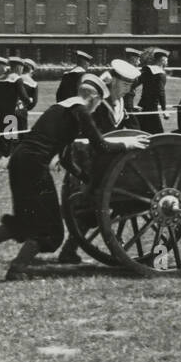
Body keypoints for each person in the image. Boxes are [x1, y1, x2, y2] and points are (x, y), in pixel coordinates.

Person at [0, 74, 150, 280]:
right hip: (34, 165)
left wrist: (83, 177)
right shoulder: (81, 110)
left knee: (25, 218)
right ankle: (17, 269)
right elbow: (101, 145)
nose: (96, 109)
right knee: (52, 231)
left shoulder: (61, 107)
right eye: (97, 104)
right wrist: (128, 143)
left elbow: (64, 157)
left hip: (20, 160)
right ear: (94, 99)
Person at [55, 60, 143, 264]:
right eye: (124, 85)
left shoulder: (119, 104)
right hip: (95, 164)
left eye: (130, 86)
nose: (127, 91)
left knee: (93, 210)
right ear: (112, 82)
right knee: (90, 209)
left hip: (115, 165)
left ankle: (70, 249)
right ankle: (70, 249)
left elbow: (132, 128)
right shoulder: (96, 105)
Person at [0, 57, 27, 163]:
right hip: (10, 116)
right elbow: (24, 97)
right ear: (18, 67)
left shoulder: (1, 79)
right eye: (22, 68)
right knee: (7, 143)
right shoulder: (17, 79)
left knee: (7, 140)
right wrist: (29, 100)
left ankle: (14, 164)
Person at [136, 48, 170, 134]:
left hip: (142, 104)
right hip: (152, 107)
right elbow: (161, 92)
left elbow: (136, 83)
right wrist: (164, 109)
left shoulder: (147, 69)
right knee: (158, 133)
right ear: (162, 60)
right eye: (166, 59)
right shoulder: (160, 73)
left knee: (141, 131)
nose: (167, 61)